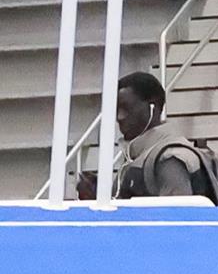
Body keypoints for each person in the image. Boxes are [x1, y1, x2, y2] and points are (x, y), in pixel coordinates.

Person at [74, 71, 199, 200]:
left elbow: (174, 217)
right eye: (116, 109)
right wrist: (98, 197)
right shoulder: (137, 156)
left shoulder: (170, 159)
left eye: (126, 108)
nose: (119, 117)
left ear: (153, 107)